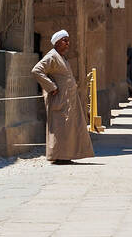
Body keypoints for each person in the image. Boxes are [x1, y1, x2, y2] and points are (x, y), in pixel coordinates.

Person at [32, 29, 95, 165]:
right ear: (57, 43)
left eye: (68, 40)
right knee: (60, 127)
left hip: (69, 100)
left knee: (68, 128)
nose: (67, 43)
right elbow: (37, 70)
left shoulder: (61, 58)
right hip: (60, 99)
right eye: (64, 40)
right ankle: (59, 155)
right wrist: (51, 87)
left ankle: (66, 155)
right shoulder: (52, 56)